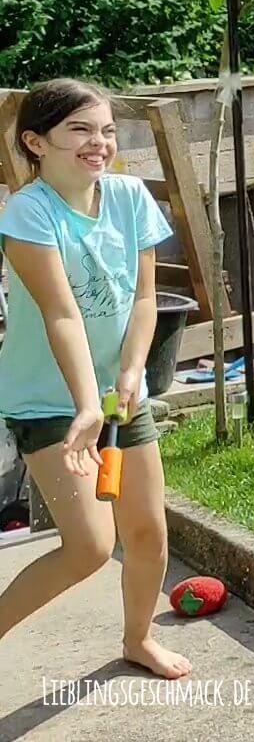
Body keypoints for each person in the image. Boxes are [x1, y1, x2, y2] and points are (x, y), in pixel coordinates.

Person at [0, 79, 190, 679]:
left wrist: (132, 372)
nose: (98, 143)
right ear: (36, 141)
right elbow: (62, 315)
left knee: (148, 532)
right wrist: (87, 404)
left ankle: (138, 639)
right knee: (88, 546)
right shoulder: (28, 213)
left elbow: (143, 298)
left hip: (118, 394)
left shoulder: (131, 197)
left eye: (107, 130)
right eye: (80, 130)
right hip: (49, 400)